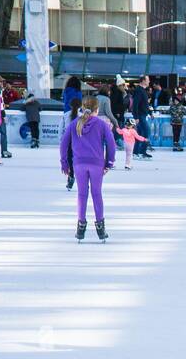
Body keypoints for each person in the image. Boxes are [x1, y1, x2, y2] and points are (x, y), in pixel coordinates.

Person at [60, 97, 117, 242]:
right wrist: (109, 162)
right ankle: (100, 228)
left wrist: (65, 163)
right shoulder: (102, 124)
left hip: (79, 164)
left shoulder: (74, 123)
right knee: (96, 194)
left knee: (82, 194)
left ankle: (81, 227)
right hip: (96, 164)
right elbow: (111, 144)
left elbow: (63, 144)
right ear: (97, 110)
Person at [130, 75, 152, 158]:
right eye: (148, 80)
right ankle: (142, 152)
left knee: (140, 134)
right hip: (140, 116)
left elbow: (144, 104)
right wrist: (136, 117)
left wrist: (150, 112)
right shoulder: (139, 90)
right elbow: (135, 104)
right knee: (146, 132)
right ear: (143, 81)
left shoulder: (142, 90)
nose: (149, 81)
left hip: (142, 115)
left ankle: (136, 152)